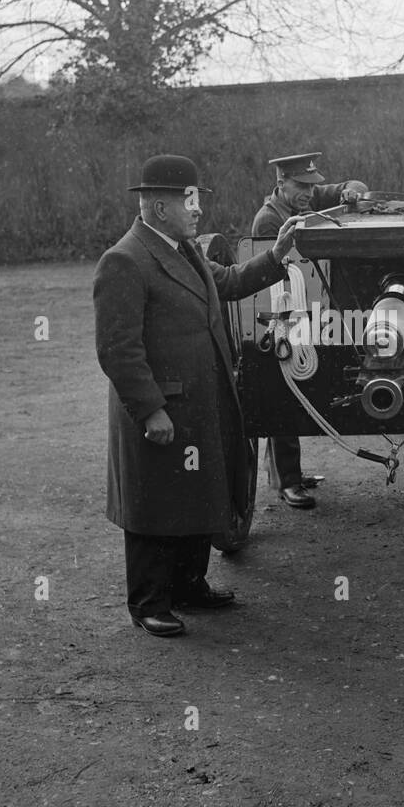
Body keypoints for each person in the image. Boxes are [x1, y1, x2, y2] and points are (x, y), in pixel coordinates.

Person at [93, 154, 305, 638]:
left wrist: (277, 256)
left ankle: (189, 586)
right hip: (162, 411)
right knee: (152, 507)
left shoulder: (183, 249)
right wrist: (150, 410)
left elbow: (228, 283)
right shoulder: (125, 260)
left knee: (193, 494)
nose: (197, 211)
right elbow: (117, 350)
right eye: (188, 201)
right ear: (158, 206)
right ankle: (148, 602)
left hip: (199, 403)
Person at [250, 152, 366, 510]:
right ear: (281, 183)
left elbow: (351, 185)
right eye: (300, 186)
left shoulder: (307, 198)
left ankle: (291, 474)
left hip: (317, 306)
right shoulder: (268, 221)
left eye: (311, 185)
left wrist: (352, 192)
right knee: (284, 389)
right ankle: (287, 481)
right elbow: (277, 272)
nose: (308, 193)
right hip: (288, 310)